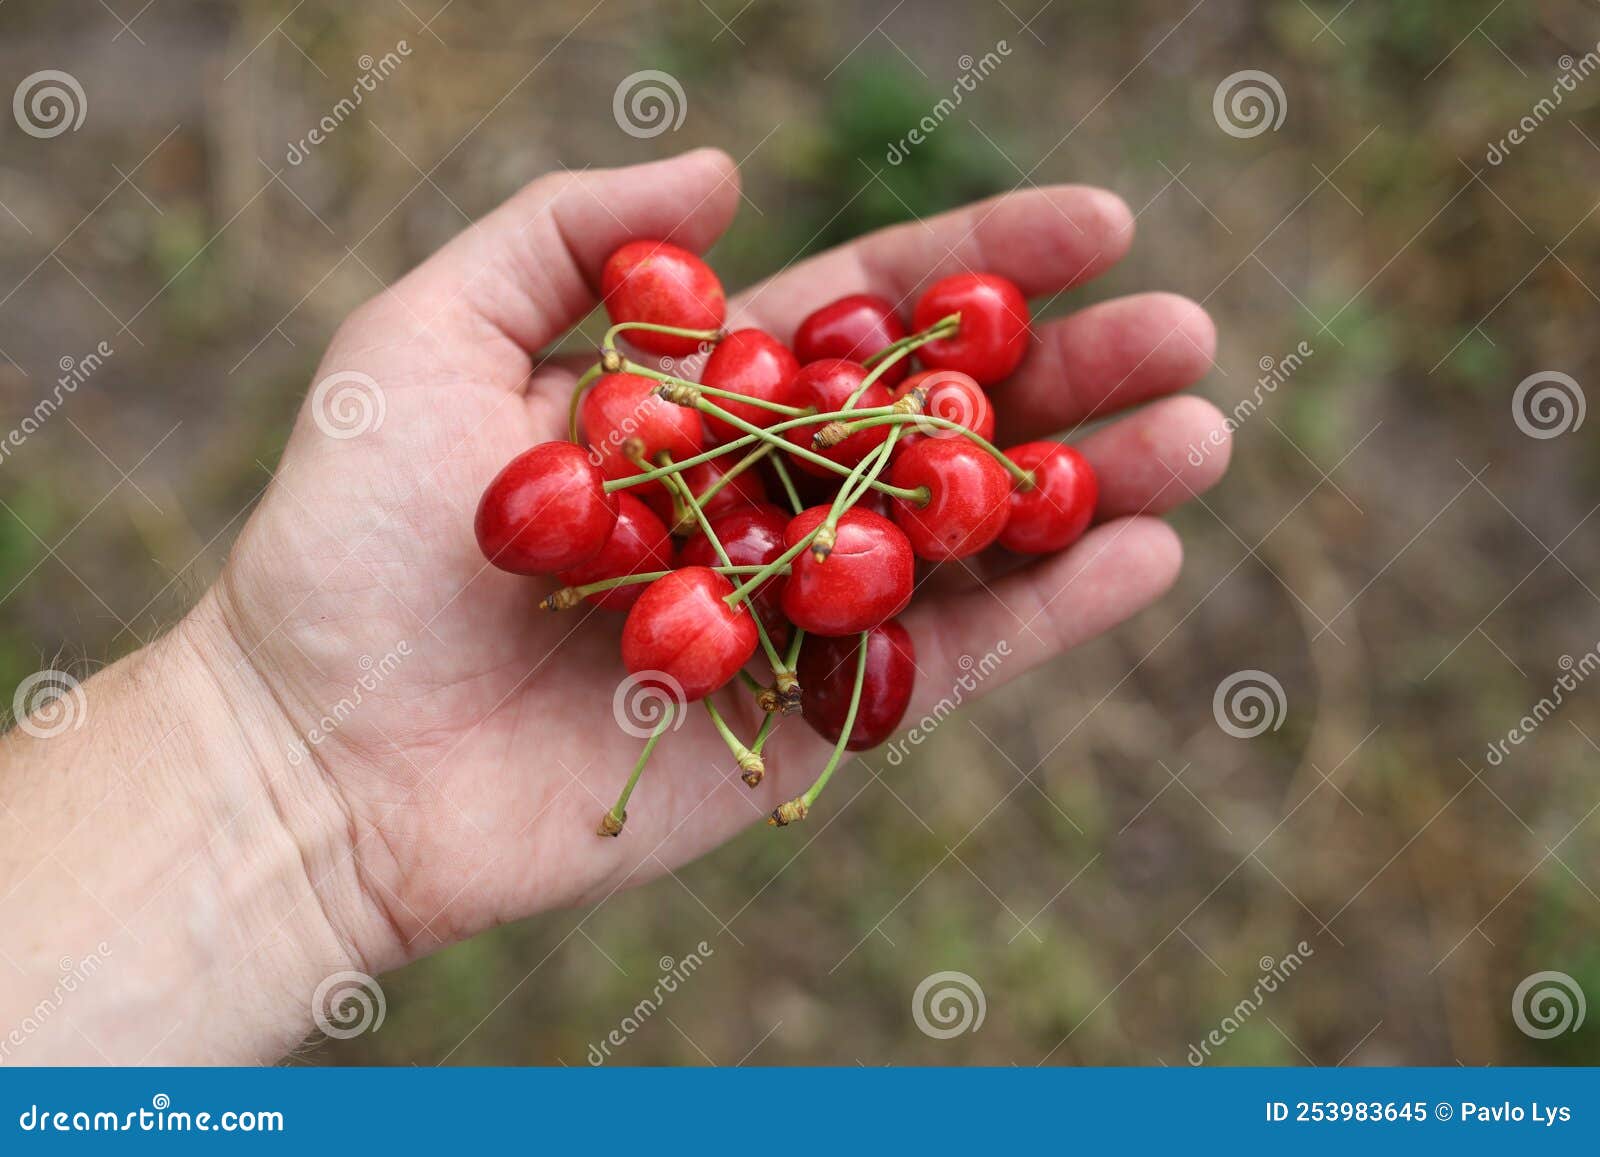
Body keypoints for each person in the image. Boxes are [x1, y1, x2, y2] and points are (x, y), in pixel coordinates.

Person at [0, 149, 1228, 1064]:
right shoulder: (692, 507)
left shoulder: (795, 516)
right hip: (752, 522)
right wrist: (265, 732)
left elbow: (789, 522)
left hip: (782, 520)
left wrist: (267, 756)